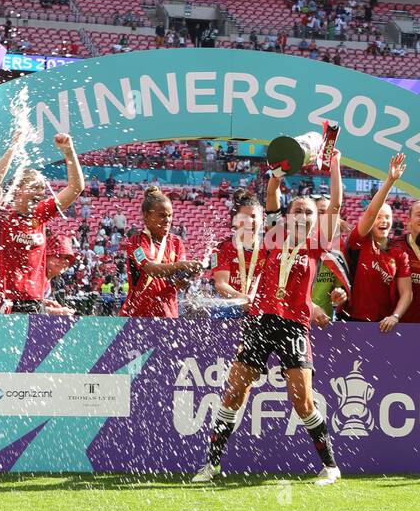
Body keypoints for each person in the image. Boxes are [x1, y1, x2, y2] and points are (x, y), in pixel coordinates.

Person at [192, 154, 345, 485]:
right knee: (234, 392)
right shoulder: (274, 237)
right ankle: (211, 465)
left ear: (315, 218)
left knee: (302, 400)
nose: (302, 215)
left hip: (294, 326)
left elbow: (335, 204)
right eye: (297, 211)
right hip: (261, 320)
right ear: (287, 217)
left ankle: (330, 466)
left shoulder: (317, 244)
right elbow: (273, 190)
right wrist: (278, 169)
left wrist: (334, 164)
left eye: (309, 212)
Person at [0, 127, 85, 313]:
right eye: (35, 187)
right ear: (17, 189)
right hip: (2, 297)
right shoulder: (3, 214)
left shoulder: (41, 213)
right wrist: (14, 147)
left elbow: (76, 188)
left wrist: (69, 152)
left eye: (42, 188)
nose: (40, 192)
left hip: (34, 299)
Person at [344, 153, 412, 332]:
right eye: (379, 217)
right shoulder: (359, 241)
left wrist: (395, 316)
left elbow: (407, 293)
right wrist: (390, 181)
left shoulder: (399, 253)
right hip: (352, 321)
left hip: (384, 325)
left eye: (387, 217)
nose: (383, 221)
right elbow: (371, 212)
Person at [120, 186, 203, 318]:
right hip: (137, 316)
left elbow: (178, 283)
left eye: (170, 216)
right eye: (162, 215)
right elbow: (152, 269)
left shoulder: (176, 243)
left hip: (168, 315)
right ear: (146, 216)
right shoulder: (136, 241)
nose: (168, 220)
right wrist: (182, 265)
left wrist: (186, 277)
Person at [212, 188, 264, 302]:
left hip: (259, 311)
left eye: (254, 216)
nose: (250, 222)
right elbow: (220, 284)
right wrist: (243, 298)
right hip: (229, 311)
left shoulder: (269, 249)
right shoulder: (220, 248)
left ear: (262, 219)